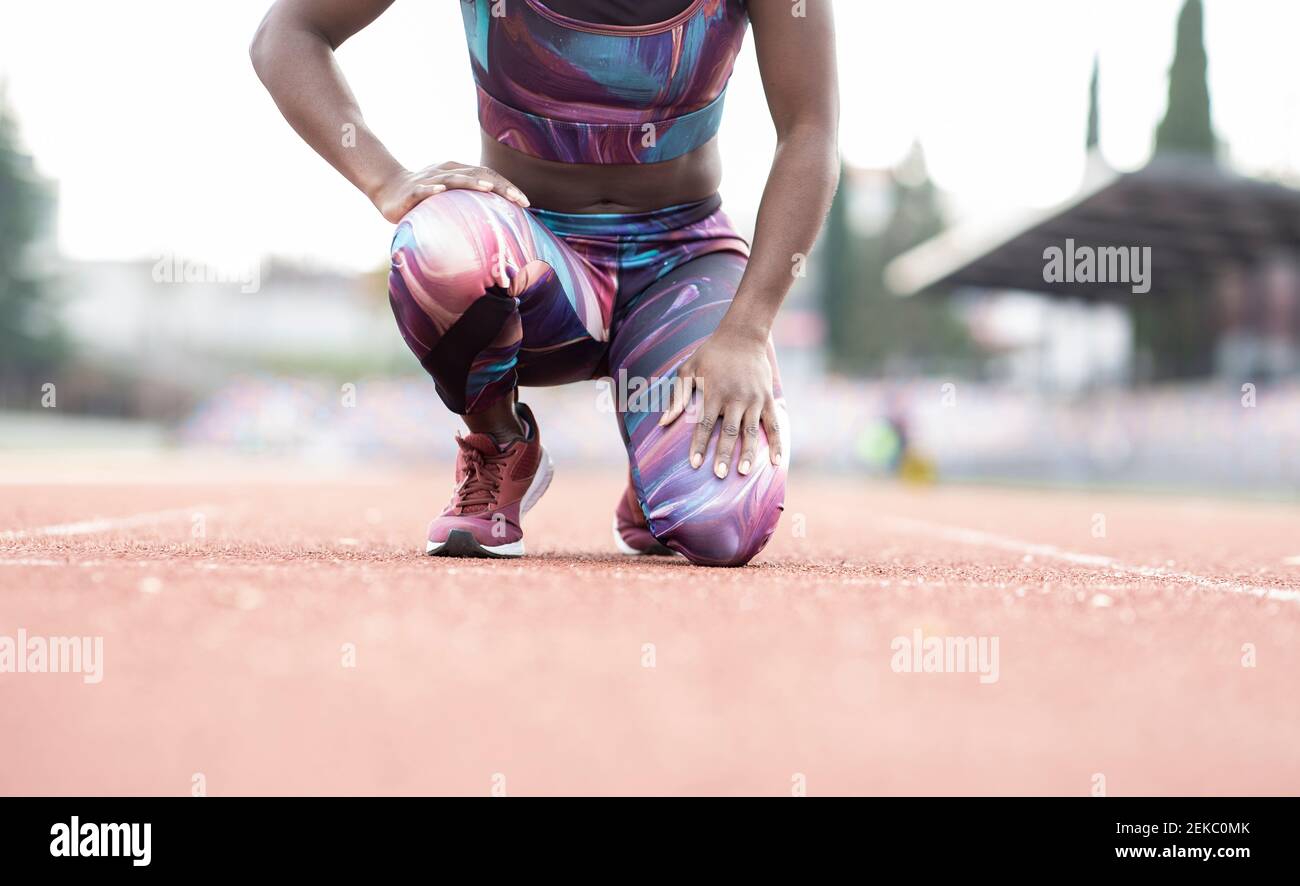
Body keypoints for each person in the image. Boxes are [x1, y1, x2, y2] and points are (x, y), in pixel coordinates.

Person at [250, 0, 839, 566]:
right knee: (437, 244)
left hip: (682, 264)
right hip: (535, 257)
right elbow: (288, 31)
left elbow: (810, 129)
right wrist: (384, 179)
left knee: (720, 528)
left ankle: (656, 475)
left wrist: (746, 328)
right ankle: (500, 443)